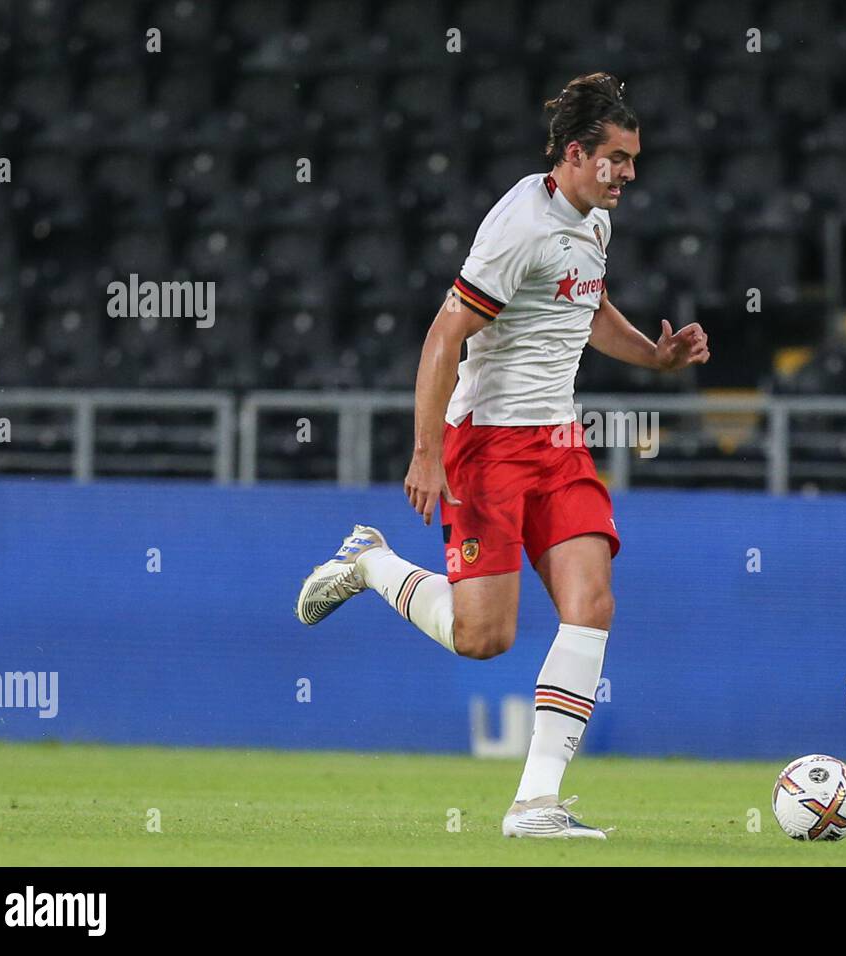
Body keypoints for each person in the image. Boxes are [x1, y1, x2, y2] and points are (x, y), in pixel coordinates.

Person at [295, 73, 709, 837]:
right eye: (617, 158)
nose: (628, 173)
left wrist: (654, 359)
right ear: (577, 155)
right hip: (486, 444)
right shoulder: (520, 224)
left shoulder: (592, 222)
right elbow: (443, 336)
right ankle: (370, 563)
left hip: (559, 442)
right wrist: (427, 452)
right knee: (484, 639)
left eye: (634, 160)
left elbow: (584, 307)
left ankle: (535, 804)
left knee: (592, 605)